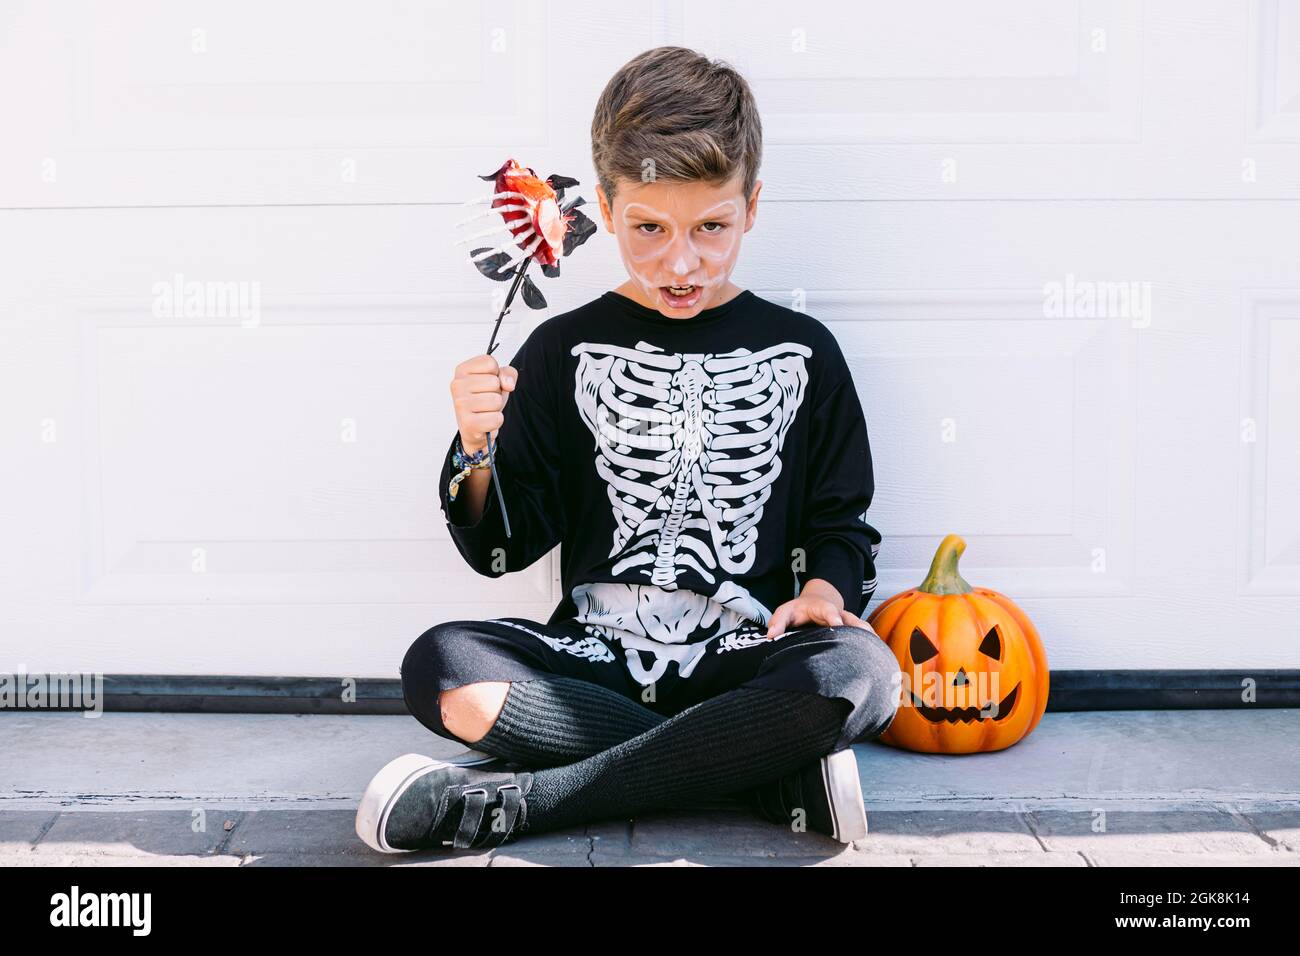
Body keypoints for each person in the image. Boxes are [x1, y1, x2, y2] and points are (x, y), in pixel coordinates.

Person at [355, 46, 899, 855]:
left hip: (746, 657)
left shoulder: (803, 348)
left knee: (858, 673)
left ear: (753, 206)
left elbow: (842, 518)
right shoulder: (560, 348)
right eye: (648, 228)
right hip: (592, 659)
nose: (681, 262)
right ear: (605, 209)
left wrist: (822, 591)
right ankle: (760, 765)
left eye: (711, 227)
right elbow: (504, 547)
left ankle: (529, 804)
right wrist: (474, 450)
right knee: (442, 666)